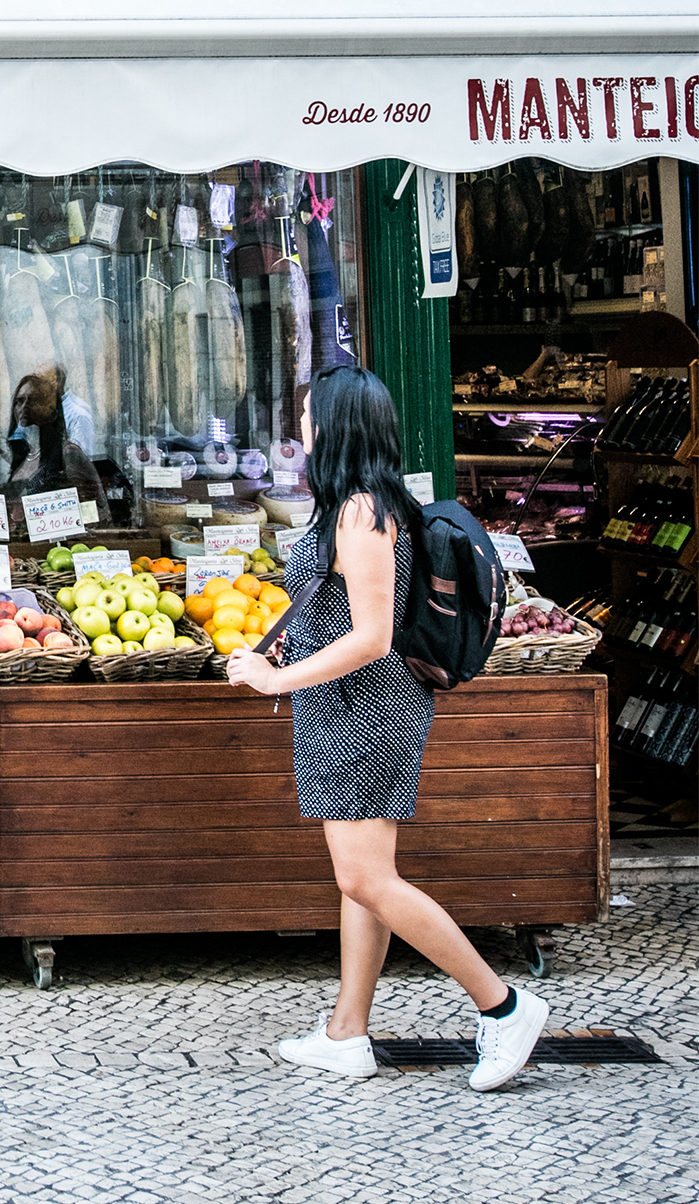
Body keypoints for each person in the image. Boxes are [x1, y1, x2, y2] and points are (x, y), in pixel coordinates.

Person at [226, 365, 550, 1091]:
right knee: (361, 884)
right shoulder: (355, 504)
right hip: (345, 706)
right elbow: (344, 611)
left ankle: (503, 1007)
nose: (300, 426)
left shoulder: (362, 512)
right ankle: (347, 1031)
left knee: (366, 876)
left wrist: (278, 678)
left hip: (364, 709)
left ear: (336, 426)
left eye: (309, 415)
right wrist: (294, 640)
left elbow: (372, 636)